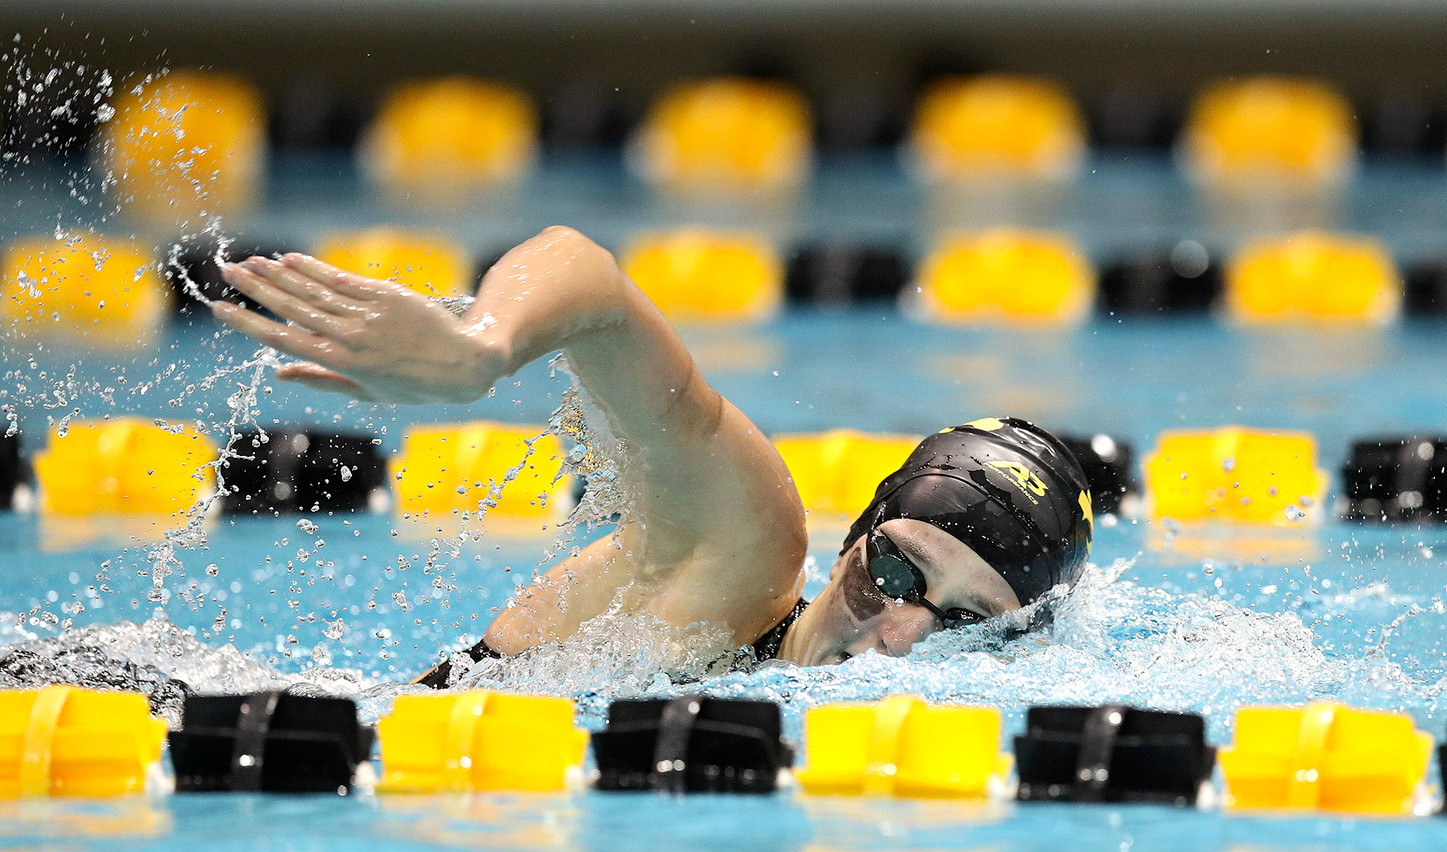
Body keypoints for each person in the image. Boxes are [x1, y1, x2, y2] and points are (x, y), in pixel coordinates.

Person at [213, 226, 1093, 684]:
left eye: (966, 620)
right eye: (896, 574)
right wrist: (482, 347)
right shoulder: (737, 569)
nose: (900, 636)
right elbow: (585, 273)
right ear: (854, 540)